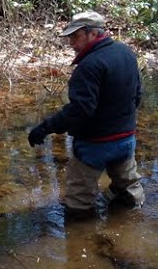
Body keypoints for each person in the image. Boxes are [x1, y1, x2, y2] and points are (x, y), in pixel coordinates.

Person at [27, 11, 145, 219]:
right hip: (126, 140)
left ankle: (83, 236)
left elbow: (80, 111)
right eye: (69, 37)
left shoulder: (89, 66)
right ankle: (132, 224)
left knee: (78, 203)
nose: (71, 42)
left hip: (95, 145)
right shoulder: (126, 52)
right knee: (129, 188)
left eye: (76, 36)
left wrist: (45, 128)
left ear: (93, 33)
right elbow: (137, 95)